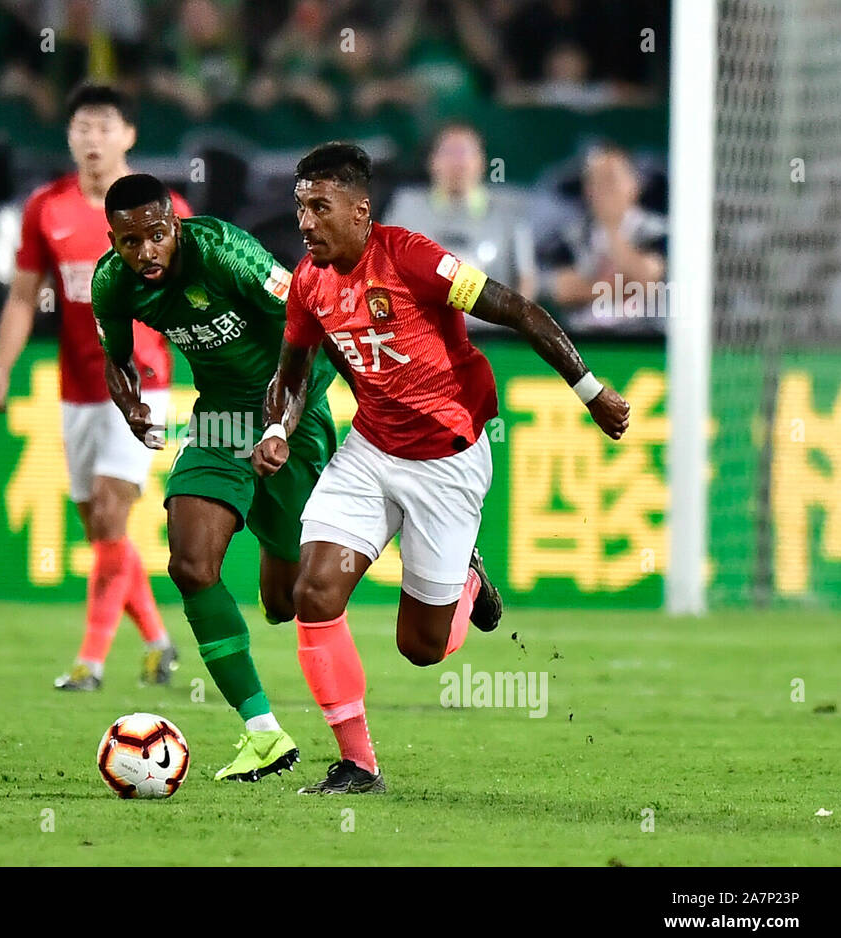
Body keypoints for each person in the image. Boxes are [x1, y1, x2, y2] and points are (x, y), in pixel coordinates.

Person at [254, 142, 630, 794]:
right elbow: (290, 376)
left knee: (422, 649)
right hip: (369, 454)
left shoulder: (413, 258)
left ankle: (468, 586)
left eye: (320, 207)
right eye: (299, 208)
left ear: (359, 210)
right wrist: (274, 429)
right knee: (312, 592)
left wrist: (590, 391)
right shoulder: (310, 284)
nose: (306, 222)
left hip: (446, 465)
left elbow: (516, 308)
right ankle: (357, 763)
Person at [95, 173, 338, 782]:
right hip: (222, 415)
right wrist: (131, 407)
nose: (146, 252)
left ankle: (440, 550)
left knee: (287, 603)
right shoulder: (111, 283)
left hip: (292, 399)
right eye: (130, 242)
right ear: (114, 241)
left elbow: (308, 328)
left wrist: (281, 422)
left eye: (157, 235)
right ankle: (263, 734)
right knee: (191, 565)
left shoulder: (226, 252)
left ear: (176, 225)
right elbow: (117, 360)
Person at [0, 85, 189, 691]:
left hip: (144, 383)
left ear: (129, 135)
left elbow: (197, 291)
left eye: (104, 127)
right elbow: (24, 295)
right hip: (77, 388)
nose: (92, 139)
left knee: (108, 508)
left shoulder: (163, 207)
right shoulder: (47, 207)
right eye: (81, 127)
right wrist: (1, 367)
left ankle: (89, 663)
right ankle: (157, 640)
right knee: (105, 531)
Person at [384, 122, 538, 333]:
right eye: (448, 152)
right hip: (421, 334)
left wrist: (514, 331)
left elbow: (526, 278)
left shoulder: (509, 212)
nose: (458, 162)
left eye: (465, 152)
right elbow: (383, 269)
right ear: (432, 161)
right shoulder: (405, 207)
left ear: (481, 161)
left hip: (491, 335)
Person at [545, 143, 668, 333]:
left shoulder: (658, 231)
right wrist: (622, 287)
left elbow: (647, 279)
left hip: (642, 337)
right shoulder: (570, 236)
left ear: (634, 185)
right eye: (596, 181)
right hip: (585, 338)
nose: (605, 190)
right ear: (587, 190)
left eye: (612, 180)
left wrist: (612, 228)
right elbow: (563, 292)